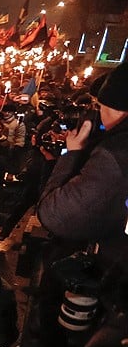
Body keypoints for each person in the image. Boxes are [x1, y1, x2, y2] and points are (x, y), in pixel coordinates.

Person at [37, 65, 128, 295]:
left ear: (120, 110)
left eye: (99, 107)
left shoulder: (115, 156)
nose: (95, 114)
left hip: (112, 277)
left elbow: (54, 213)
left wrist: (72, 154)